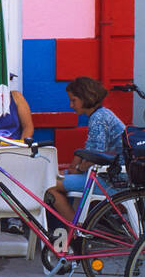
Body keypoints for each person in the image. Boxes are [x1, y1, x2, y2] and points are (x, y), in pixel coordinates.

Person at [48, 76, 127, 211]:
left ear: (85, 98)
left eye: (74, 100)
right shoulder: (102, 114)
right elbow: (90, 147)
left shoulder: (97, 119)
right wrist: (75, 165)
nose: (71, 105)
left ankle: (76, 230)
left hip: (111, 181)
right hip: (113, 176)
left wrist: (78, 170)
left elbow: (96, 156)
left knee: (48, 185)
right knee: (55, 174)